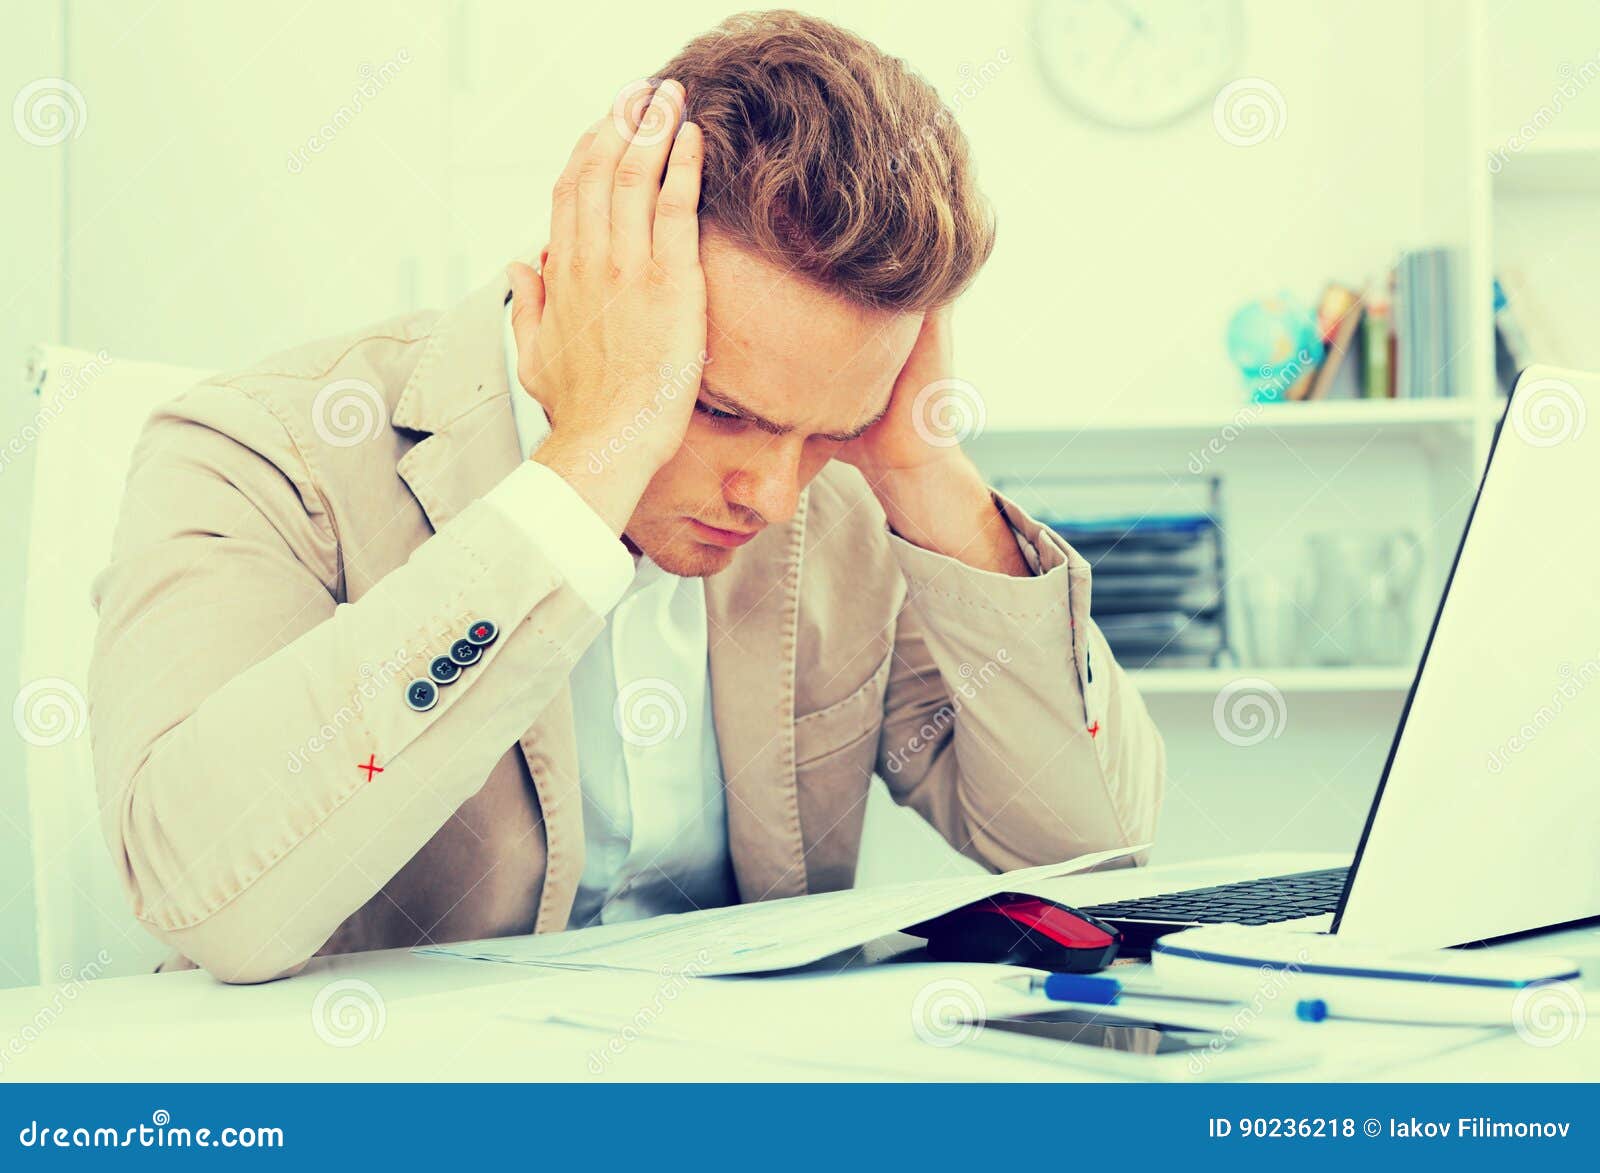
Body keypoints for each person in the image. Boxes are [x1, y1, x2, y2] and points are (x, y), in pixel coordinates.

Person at [87, 10, 1164, 983]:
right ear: (588, 277)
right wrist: (596, 456)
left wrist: (921, 467)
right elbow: (215, 904)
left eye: (823, 430)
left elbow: (1093, 854)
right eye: (722, 409)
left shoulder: (844, 496)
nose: (772, 493)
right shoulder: (258, 450)